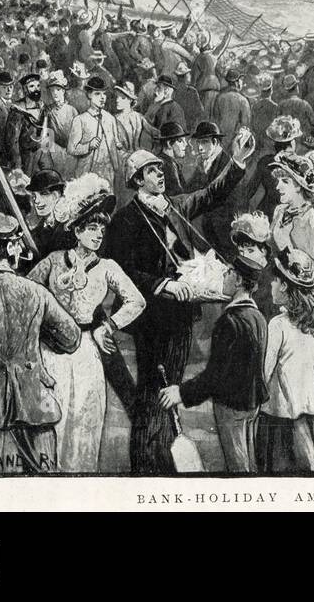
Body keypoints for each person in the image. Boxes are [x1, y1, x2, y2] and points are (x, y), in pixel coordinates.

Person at [101, 131, 254, 475]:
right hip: (152, 318)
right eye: (153, 171)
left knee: (170, 388)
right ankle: (145, 463)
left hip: (182, 316)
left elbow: (213, 193)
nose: (161, 175)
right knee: (152, 391)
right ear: (138, 179)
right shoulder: (125, 220)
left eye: (160, 169)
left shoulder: (175, 205)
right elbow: (122, 270)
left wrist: (238, 160)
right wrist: (163, 284)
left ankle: (166, 456)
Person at [27, 175, 145, 472]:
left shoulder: (107, 267)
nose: (98, 235)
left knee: (85, 419)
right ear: (77, 230)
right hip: (52, 352)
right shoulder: (54, 261)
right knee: (56, 417)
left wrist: (109, 326)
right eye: (91, 228)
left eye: (102, 229)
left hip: (87, 351)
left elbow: (137, 301)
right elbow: (25, 293)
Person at [0, 211, 82, 473]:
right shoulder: (36, 292)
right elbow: (71, 338)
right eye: (17, 243)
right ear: (10, 247)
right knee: (45, 493)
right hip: (36, 405)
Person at [160, 245, 269, 473]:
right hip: (253, 402)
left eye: (228, 273)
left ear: (238, 280)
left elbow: (215, 375)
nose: (224, 276)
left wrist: (180, 392)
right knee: (250, 459)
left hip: (231, 405)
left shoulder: (228, 321)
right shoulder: (258, 317)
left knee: (237, 463)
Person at [257, 248, 314, 473]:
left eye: (274, 280)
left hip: (282, 417)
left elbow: (265, 373)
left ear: (283, 285)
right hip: (312, 414)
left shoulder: (278, 324)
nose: (270, 285)